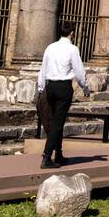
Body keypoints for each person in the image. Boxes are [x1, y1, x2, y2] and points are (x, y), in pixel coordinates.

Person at [36, 21, 90, 169]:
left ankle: (58, 153)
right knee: (57, 123)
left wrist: (41, 88)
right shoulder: (72, 49)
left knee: (56, 121)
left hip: (50, 86)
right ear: (72, 33)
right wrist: (85, 87)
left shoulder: (50, 47)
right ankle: (46, 157)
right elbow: (79, 72)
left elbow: (43, 69)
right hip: (64, 88)